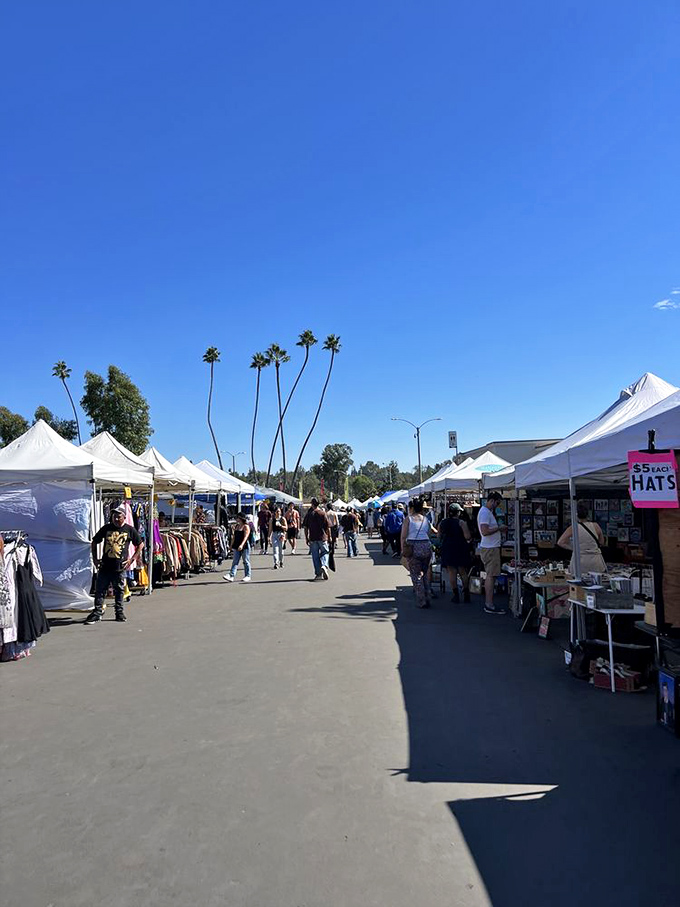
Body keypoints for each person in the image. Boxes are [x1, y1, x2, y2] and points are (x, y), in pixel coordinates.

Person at [86, 504, 144, 624]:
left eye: (118, 517)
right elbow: (95, 541)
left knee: (119, 591)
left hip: (119, 567)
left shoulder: (129, 529)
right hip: (105, 566)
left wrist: (132, 560)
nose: (116, 519)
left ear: (124, 517)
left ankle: (119, 612)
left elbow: (140, 545)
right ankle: (97, 612)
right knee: (100, 590)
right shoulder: (106, 528)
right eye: (114, 517)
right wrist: (95, 559)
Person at [401, 497, 437, 608]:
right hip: (426, 546)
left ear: (412, 508)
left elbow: (403, 536)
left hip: (413, 547)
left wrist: (403, 550)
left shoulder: (409, 519)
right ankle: (428, 595)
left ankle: (422, 600)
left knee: (416, 574)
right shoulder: (426, 519)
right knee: (425, 573)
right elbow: (429, 534)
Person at [557, 501, 607, 575]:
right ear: (587, 514)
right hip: (595, 560)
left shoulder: (573, 527)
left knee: (579, 583)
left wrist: (574, 548)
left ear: (576, 515)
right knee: (597, 583)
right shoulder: (596, 526)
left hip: (579, 560)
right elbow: (601, 542)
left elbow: (560, 542)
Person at [477, 491, 507, 614]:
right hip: (490, 548)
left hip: (490, 547)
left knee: (492, 575)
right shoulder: (485, 512)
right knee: (491, 575)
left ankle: (489, 602)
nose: (497, 506)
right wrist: (499, 528)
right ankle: (489, 603)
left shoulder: (486, 512)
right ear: (492, 501)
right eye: (497, 503)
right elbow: (485, 531)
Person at [439, 503, 472, 602]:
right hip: (460, 547)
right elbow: (467, 536)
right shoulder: (461, 523)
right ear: (457, 512)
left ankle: (455, 595)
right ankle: (466, 593)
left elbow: (438, 535)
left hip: (448, 548)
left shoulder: (443, 522)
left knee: (451, 572)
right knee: (462, 571)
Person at [302, 498, 331, 580]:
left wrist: (306, 537)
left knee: (315, 556)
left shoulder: (309, 514)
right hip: (322, 537)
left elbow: (305, 527)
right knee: (325, 552)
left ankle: (318, 574)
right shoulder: (322, 513)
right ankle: (324, 565)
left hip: (313, 538)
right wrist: (329, 537)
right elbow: (327, 527)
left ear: (312, 504)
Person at [224, 513, 252, 582]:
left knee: (246, 561)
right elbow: (234, 537)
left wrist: (242, 545)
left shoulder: (246, 526)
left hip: (244, 546)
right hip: (237, 545)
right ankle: (231, 575)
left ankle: (247, 575)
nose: (236, 519)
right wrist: (231, 546)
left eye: (237, 518)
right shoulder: (236, 526)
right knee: (235, 561)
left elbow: (246, 537)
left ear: (241, 518)